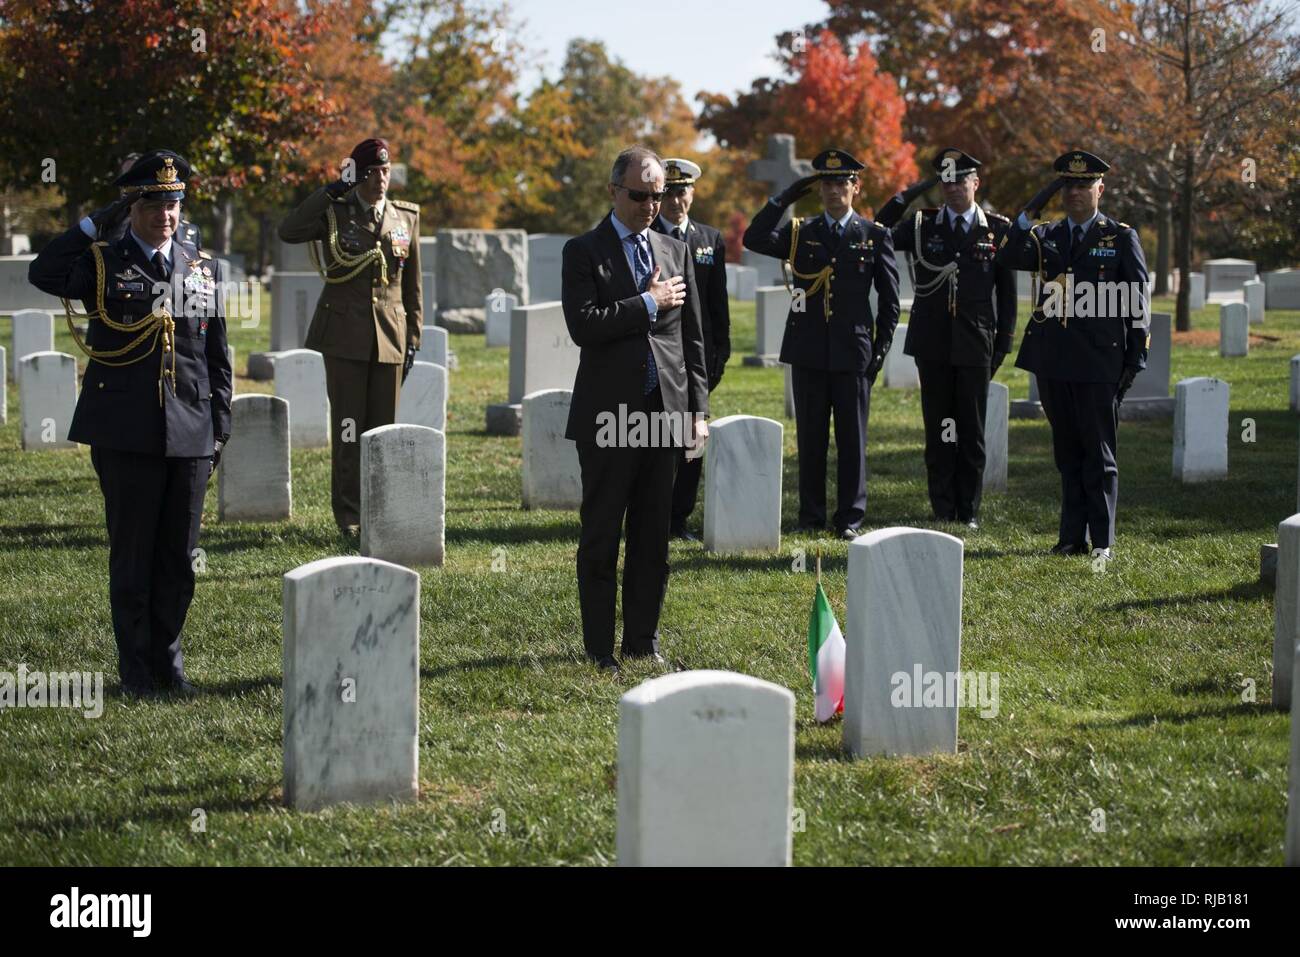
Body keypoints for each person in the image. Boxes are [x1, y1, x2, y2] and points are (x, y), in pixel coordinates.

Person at [28, 150, 232, 696]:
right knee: (134, 556)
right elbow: (42, 271)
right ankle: (136, 671)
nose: (167, 214)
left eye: (174, 202)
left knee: (178, 560)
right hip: (126, 429)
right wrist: (97, 221)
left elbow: (216, 354)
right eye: (155, 202)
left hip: (190, 429)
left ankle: (170, 665)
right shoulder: (102, 262)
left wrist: (220, 427)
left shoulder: (202, 267)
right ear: (132, 206)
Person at [562, 145, 711, 674]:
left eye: (659, 195)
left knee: (652, 537)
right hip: (608, 417)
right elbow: (585, 325)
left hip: (664, 413)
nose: (652, 204)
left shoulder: (674, 250)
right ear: (614, 192)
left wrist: (698, 411)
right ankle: (600, 648)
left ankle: (641, 641)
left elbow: (692, 339)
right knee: (602, 534)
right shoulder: (583, 251)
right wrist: (647, 303)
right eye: (640, 195)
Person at [996, 150, 1149, 559]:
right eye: (1068, 185)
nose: (1076, 193)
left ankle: (1102, 541)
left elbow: (1137, 302)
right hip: (1054, 360)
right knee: (1067, 452)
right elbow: (1008, 256)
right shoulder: (1047, 236)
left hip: (1100, 362)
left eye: (1084, 185)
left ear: (1100, 188)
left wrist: (1135, 360)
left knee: (1098, 453)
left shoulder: (1119, 237)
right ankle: (1070, 538)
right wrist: (1029, 211)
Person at [742, 148, 899, 539]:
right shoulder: (800, 234)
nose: (834, 190)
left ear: (855, 187)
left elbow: (890, 303)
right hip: (808, 352)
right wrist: (784, 198)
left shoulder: (874, 236)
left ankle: (850, 518)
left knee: (852, 441)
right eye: (827, 183)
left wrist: (879, 351)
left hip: (853, 353)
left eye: (842, 182)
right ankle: (810, 516)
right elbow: (753, 237)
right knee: (811, 439)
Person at [278, 137, 423, 535]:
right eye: (372, 172)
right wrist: (330, 190)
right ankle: (350, 516)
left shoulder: (405, 217)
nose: (381, 179)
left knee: (384, 430)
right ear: (357, 175)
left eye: (385, 170)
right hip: (343, 336)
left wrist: (414, 336)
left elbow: (411, 286)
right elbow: (288, 230)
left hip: (390, 336)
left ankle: (381, 510)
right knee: (348, 431)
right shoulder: (335, 213)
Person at [876, 148, 1017, 529]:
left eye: (961, 180)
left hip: (975, 344)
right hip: (933, 344)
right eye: (946, 181)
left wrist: (1002, 343)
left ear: (976, 182)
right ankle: (942, 507)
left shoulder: (996, 230)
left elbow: (1006, 292)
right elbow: (877, 232)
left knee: (970, 433)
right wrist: (907, 194)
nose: (953, 188)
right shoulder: (922, 225)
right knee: (940, 429)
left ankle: (967, 510)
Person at [650, 157, 730, 542]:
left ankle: (680, 516)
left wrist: (721, 352)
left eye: (682, 192)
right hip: (661, 353)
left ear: (693, 194)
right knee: (657, 436)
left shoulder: (709, 239)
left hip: (699, 356)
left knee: (692, 437)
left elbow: (718, 304)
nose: (676, 200)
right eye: (669, 192)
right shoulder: (646, 235)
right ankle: (654, 512)